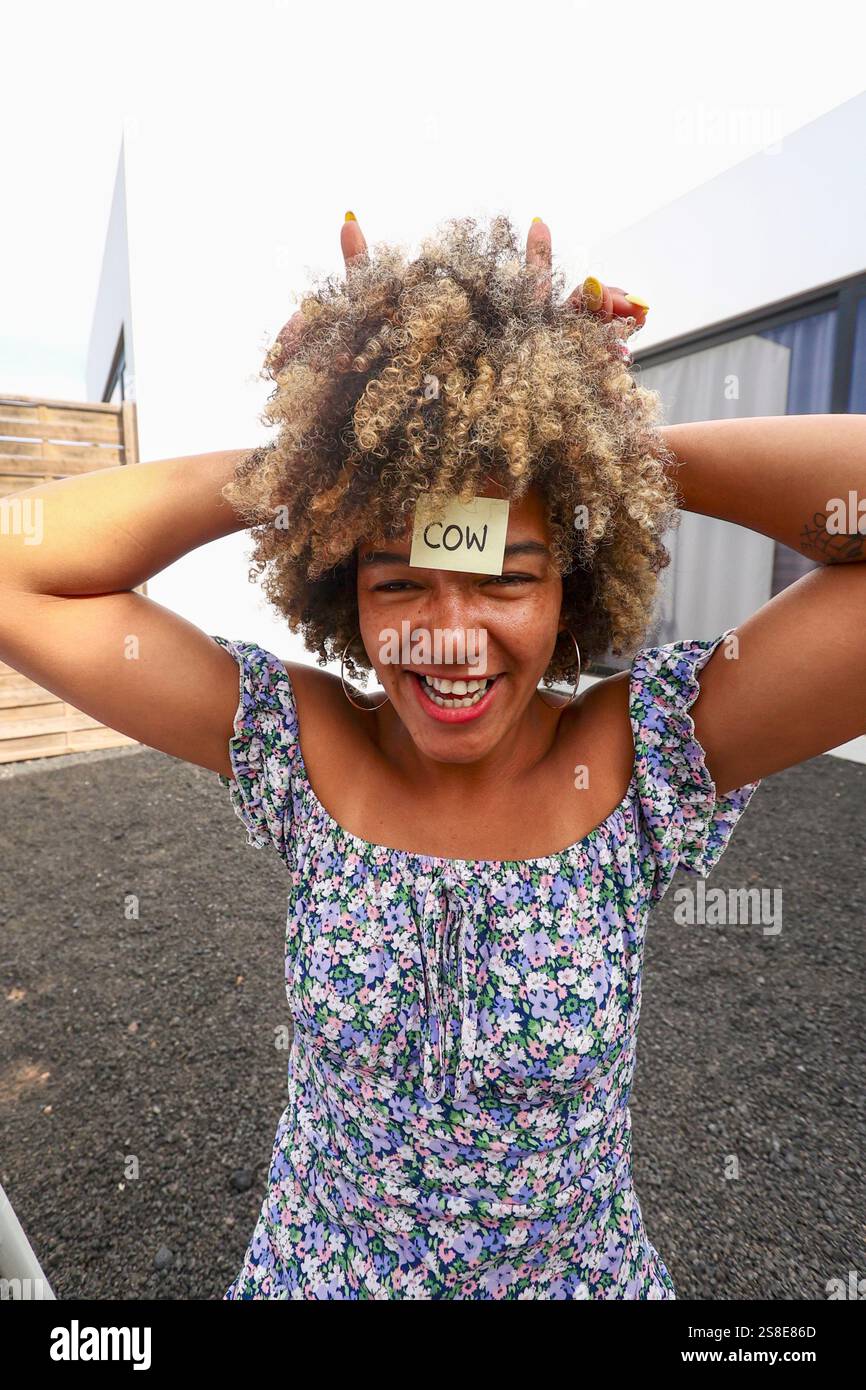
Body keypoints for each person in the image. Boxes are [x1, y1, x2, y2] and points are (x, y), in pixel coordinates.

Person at [1, 213, 864, 1300]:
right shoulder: (300, 745)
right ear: (342, 591)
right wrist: (315, 457)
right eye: (398, 578)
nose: (449, 634)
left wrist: (604, 446)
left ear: (571, 587)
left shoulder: (645, 758)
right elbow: (14, 567)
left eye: (507, 576)